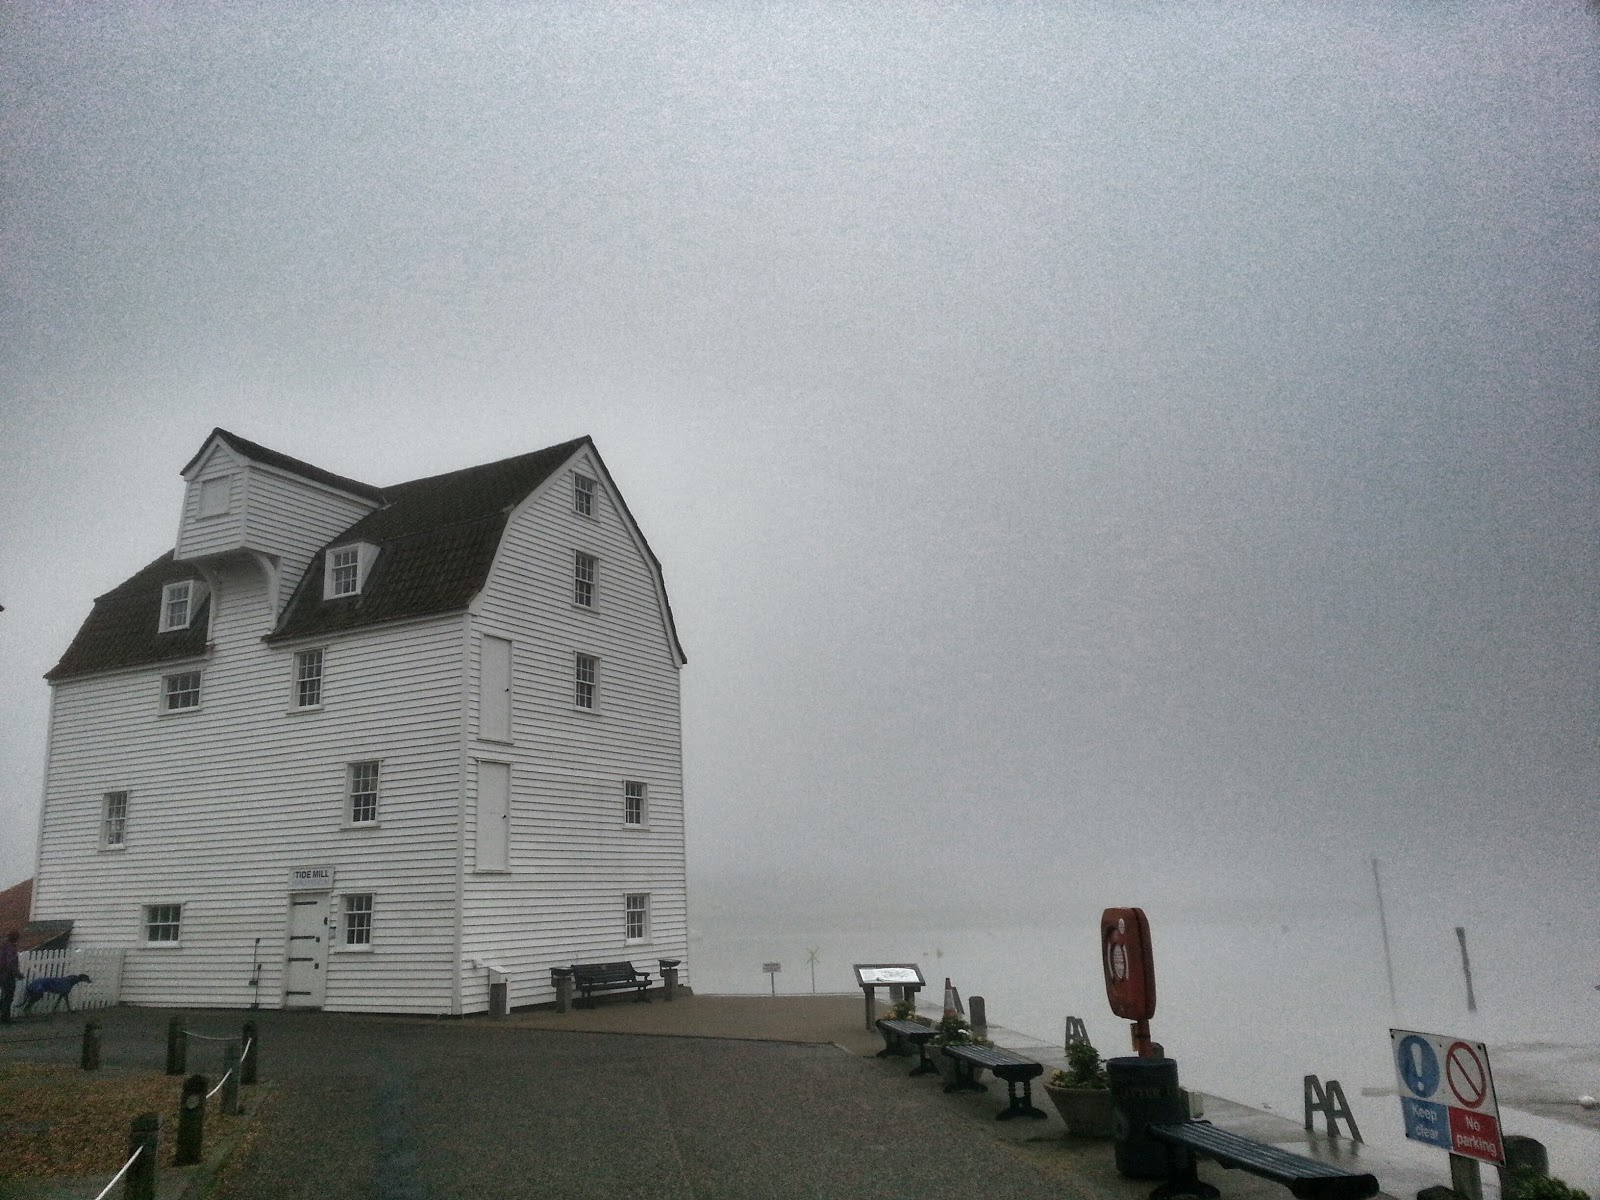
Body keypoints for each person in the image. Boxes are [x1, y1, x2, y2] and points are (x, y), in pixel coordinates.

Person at [0, 930, 20, 1023]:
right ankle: (5, 1017)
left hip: (2, 974)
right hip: (8, 975)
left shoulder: (3, 947)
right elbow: (10, 963)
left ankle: (4, 1016)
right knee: (8, 996)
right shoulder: (11, 948)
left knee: (5, 995)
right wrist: (17, 974)